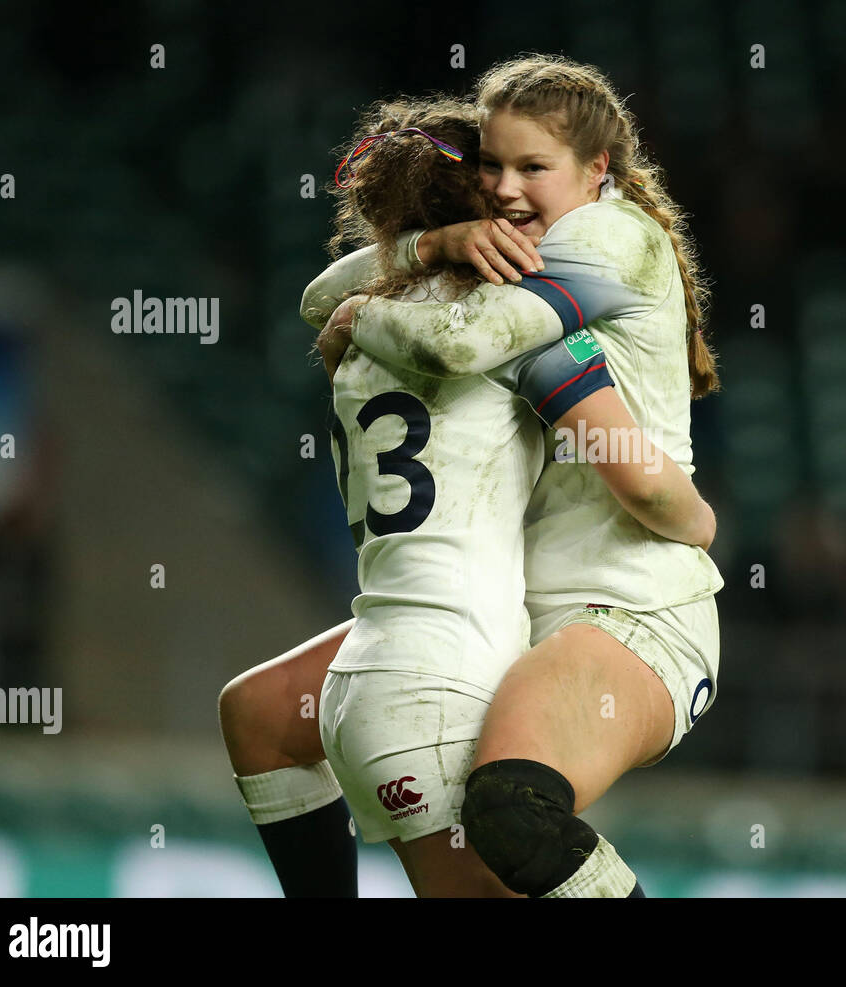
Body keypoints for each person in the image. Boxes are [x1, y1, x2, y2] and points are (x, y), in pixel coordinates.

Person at [218, 91, 714, 898]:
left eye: (532, 167)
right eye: (494, 167)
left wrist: (691, 514)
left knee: (509, 808)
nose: (511, 189)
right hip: (495, 630)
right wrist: (429, 247)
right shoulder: (519, 308)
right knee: (263, 716)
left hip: (626, 611)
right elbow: (383, 314)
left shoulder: (588, 258)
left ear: (598, 172)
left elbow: (401, 324)